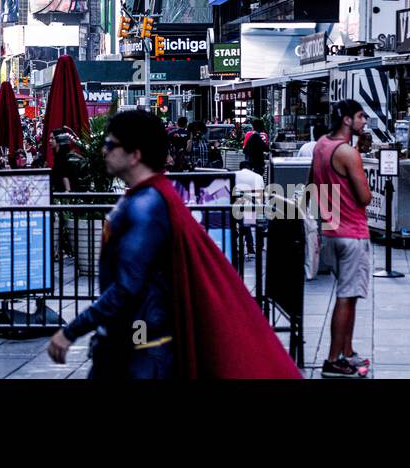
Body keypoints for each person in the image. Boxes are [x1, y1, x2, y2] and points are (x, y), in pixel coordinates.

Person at [46, 110, 300, 380]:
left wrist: (71, 331)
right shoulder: (152, 198)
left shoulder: (145, 207)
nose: (104, 150)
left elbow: (125, 289)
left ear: (135, 154)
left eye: (111, 144)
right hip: (140, 344)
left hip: (139, 351)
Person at [311, 99, 373, 378]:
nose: (363, 122)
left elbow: (314, 184)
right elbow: (364, 197)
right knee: (346, 298)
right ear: (347, 120)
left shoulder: (322, 145)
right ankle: (333, 360)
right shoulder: (348, 153)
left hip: (331, 231)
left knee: (348, 295)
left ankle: (347, 353)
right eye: (360, 117)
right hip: (352, 234)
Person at [236, 132, 269, 257]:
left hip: (238, 208)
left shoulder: (235, 175)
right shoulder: (257, 176)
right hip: (255, 207)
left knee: (243, 223)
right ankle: (253, 247)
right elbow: (262, 193)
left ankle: (247, 247)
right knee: (252, 224)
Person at [49, 129, 79, 193]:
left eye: (52, 138)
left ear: (59, 139)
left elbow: (65, 175)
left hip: (64, 194)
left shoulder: (64, 158)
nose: (50, 141)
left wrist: (67, 192)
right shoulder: (58, 156)